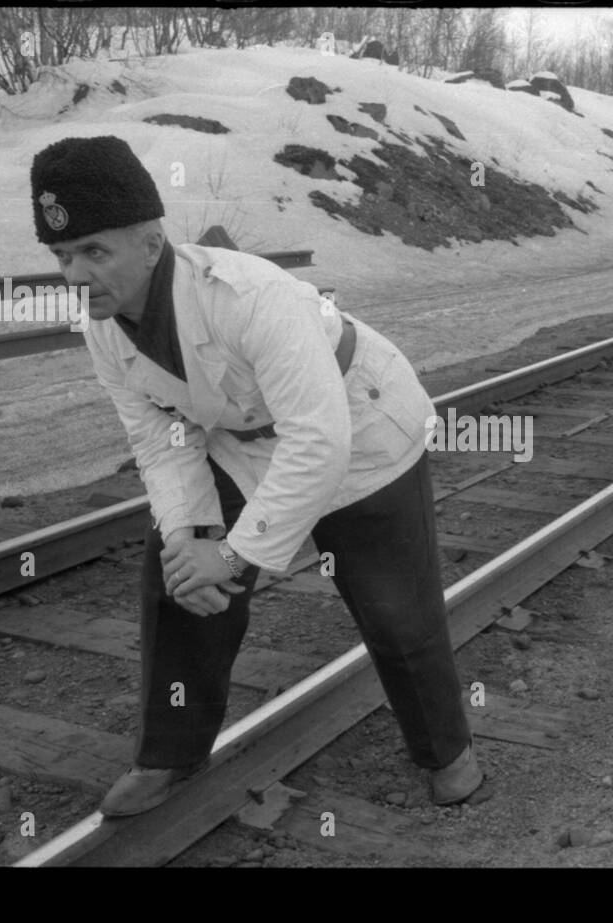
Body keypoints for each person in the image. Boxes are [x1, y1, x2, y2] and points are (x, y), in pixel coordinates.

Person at [29, 135, 482, 816]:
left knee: (393, 608)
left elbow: (319, 441)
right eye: (64, 255)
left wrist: (236, 556)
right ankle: (168, 754)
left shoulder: (250, 297)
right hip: (240, 439)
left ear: (151, 242)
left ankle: (448, 751)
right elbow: (158, 435)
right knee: (174, 577)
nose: (75, 276)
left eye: (96, 252)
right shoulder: (103, 328)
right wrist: (191, 538)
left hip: (360, 432)